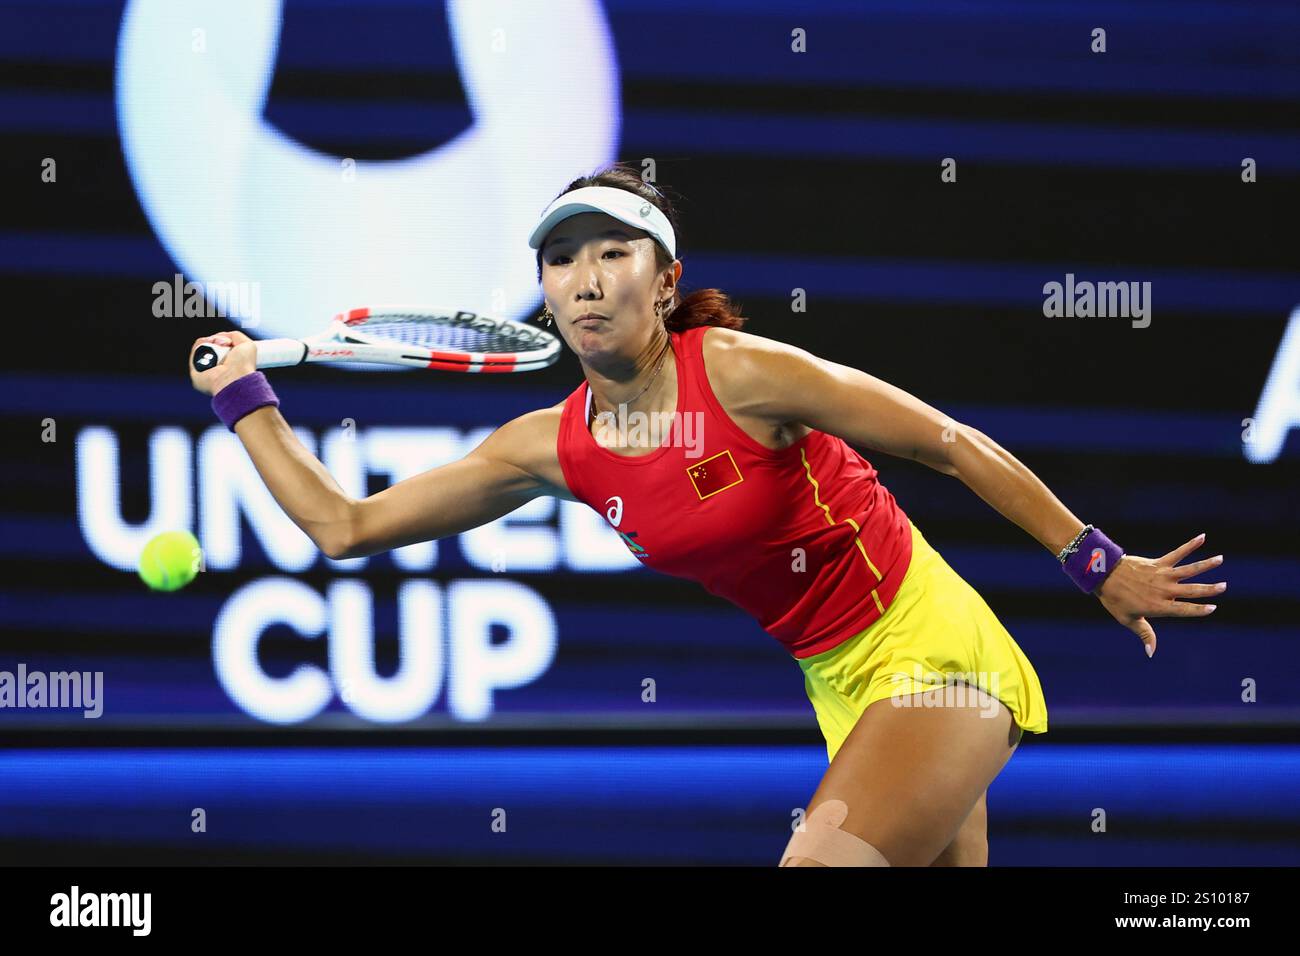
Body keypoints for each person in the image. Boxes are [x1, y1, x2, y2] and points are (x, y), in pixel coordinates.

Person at [189, 163, 1227, 866]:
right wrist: (244, 398)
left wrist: (1093, 559)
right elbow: (344, 525)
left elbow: (944, 441)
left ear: (665, 278)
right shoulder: (549, 446)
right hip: (838, 685)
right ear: (543, 291)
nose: (587, 279)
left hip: (931, 653)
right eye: (563, 260)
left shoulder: (740, 373)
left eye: (614, 254)